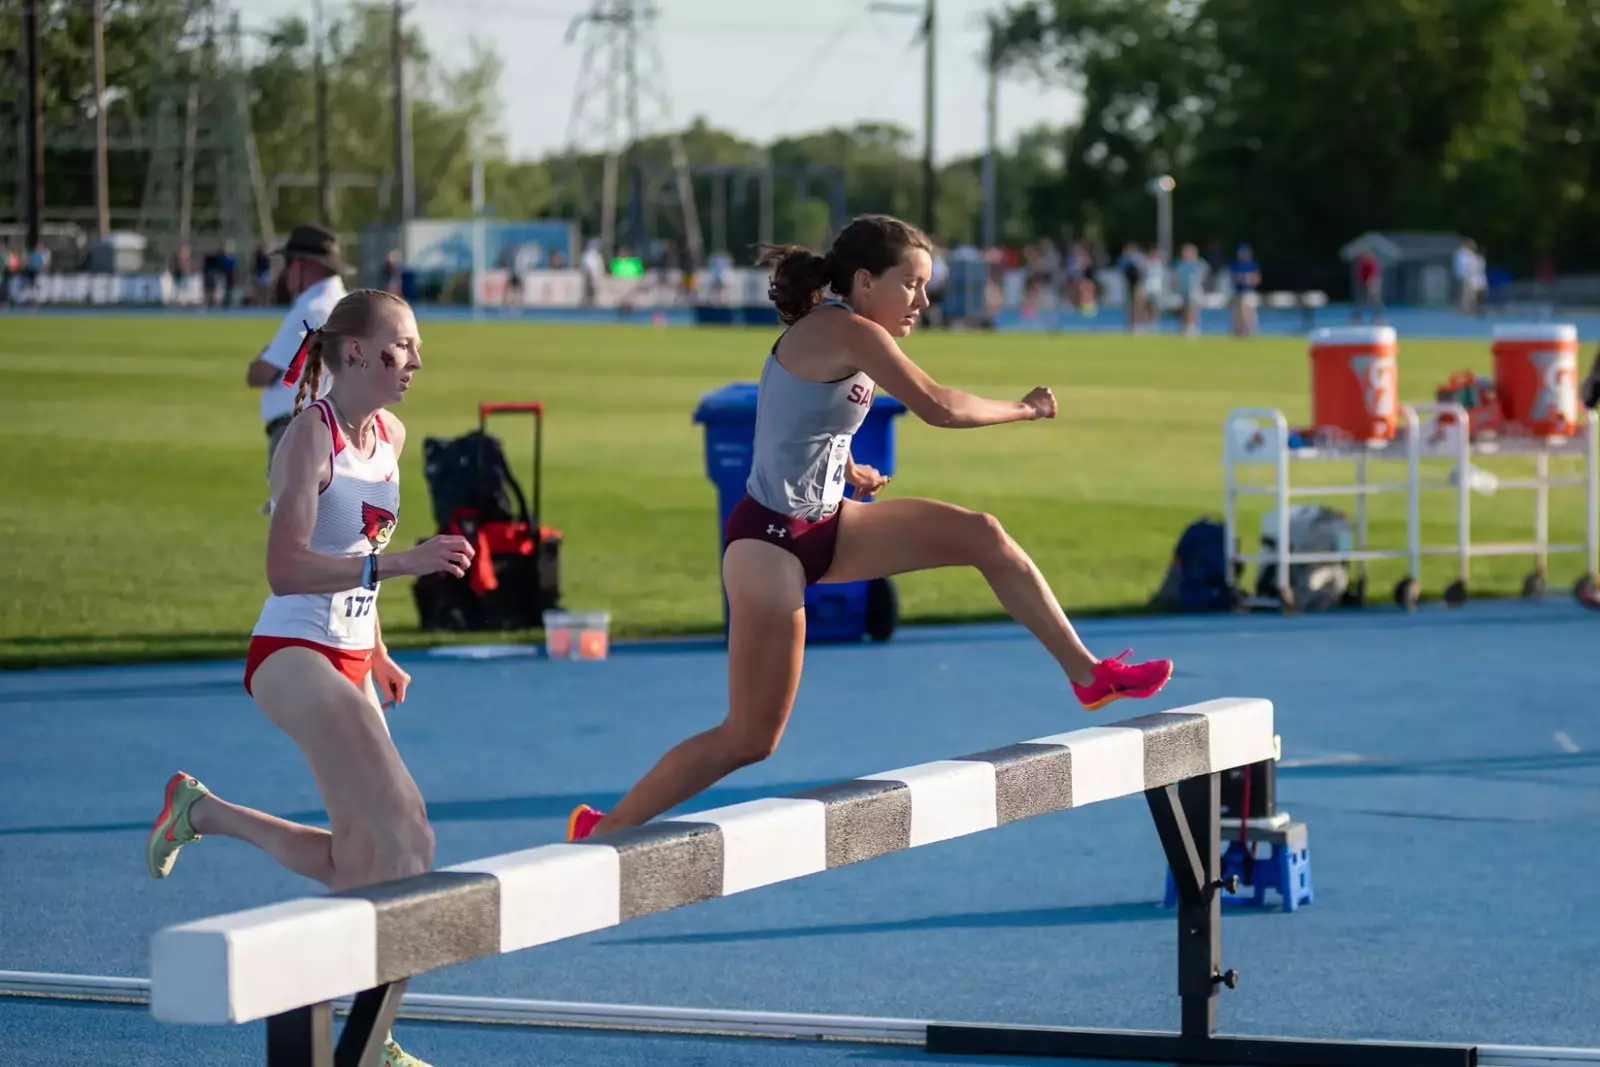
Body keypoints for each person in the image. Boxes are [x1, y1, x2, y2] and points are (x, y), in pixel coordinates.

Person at [566, 214, 1175, 842]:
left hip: (828, 523)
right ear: (863, 281)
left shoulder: (845, 333)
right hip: (769, 545)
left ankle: (1089, 675)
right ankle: (603, 828)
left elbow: (797, 419)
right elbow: (939, 407)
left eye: (925, 286)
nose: (924, 300)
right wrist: (1024, 408)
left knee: (983, 534)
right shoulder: (847, 331)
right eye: (911, 284)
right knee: (750, 738)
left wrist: (847, 466)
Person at [146, 288, 474, 1067]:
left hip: (355, 655)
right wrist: (403, 563)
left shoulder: (390, 432)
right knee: (411, 836)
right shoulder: (306, 437)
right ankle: (373, 1036)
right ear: (355, 351)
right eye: (401, 347)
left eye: (418, 347)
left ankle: (201, 812)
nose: (416, 362)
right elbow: (288, 566)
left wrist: (381, 643)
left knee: (359, 862)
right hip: (291, 653)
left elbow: (355, 549)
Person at [247, 224, 352, 488]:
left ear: (305, 264)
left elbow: (260, 373)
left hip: (298, 433)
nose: (286, 270)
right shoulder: (344, 303)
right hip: (330, 432)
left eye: (289, 261)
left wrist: (267, 357)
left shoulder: (313, 309)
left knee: (294, 526)